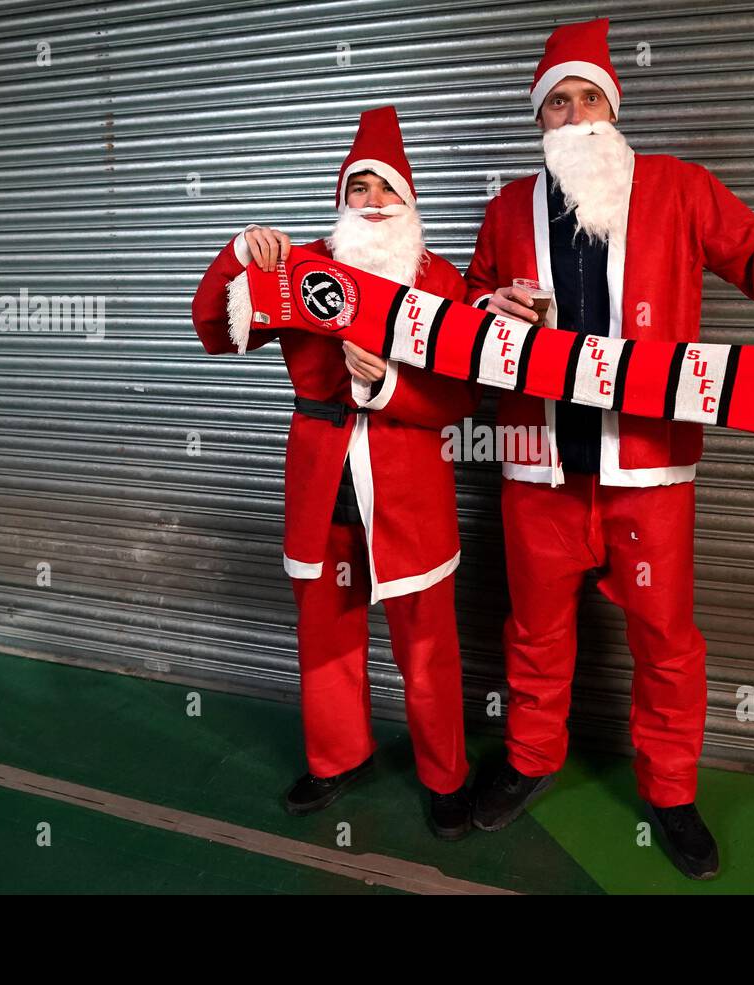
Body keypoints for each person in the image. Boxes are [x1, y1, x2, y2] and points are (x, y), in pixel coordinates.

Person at [464, 18, 754, 878]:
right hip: (535, 466)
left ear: (613, 108)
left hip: (648, 470)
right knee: (534, 632)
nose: (576, 114)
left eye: (589, 98)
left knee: (665, 638)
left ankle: (670, 790)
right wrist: (487, 309)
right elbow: (466, 302)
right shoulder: (506, 206)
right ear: (538, 119)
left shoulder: (678, 188)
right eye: (558, 103)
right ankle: (530, 758)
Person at [191, 106, 481, 840]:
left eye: (388, 188)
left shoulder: (439, 280)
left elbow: (462, 395)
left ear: (411, 201)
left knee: (428, 644)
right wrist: (236, 256)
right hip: (323, 484)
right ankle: (336, 756)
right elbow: (212, 331)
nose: (375, 202)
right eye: (361, 189)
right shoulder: (298, 268)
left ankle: (446, 776)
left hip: (410, 487)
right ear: (342, 199)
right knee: (325, 635)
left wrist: (389, 385)